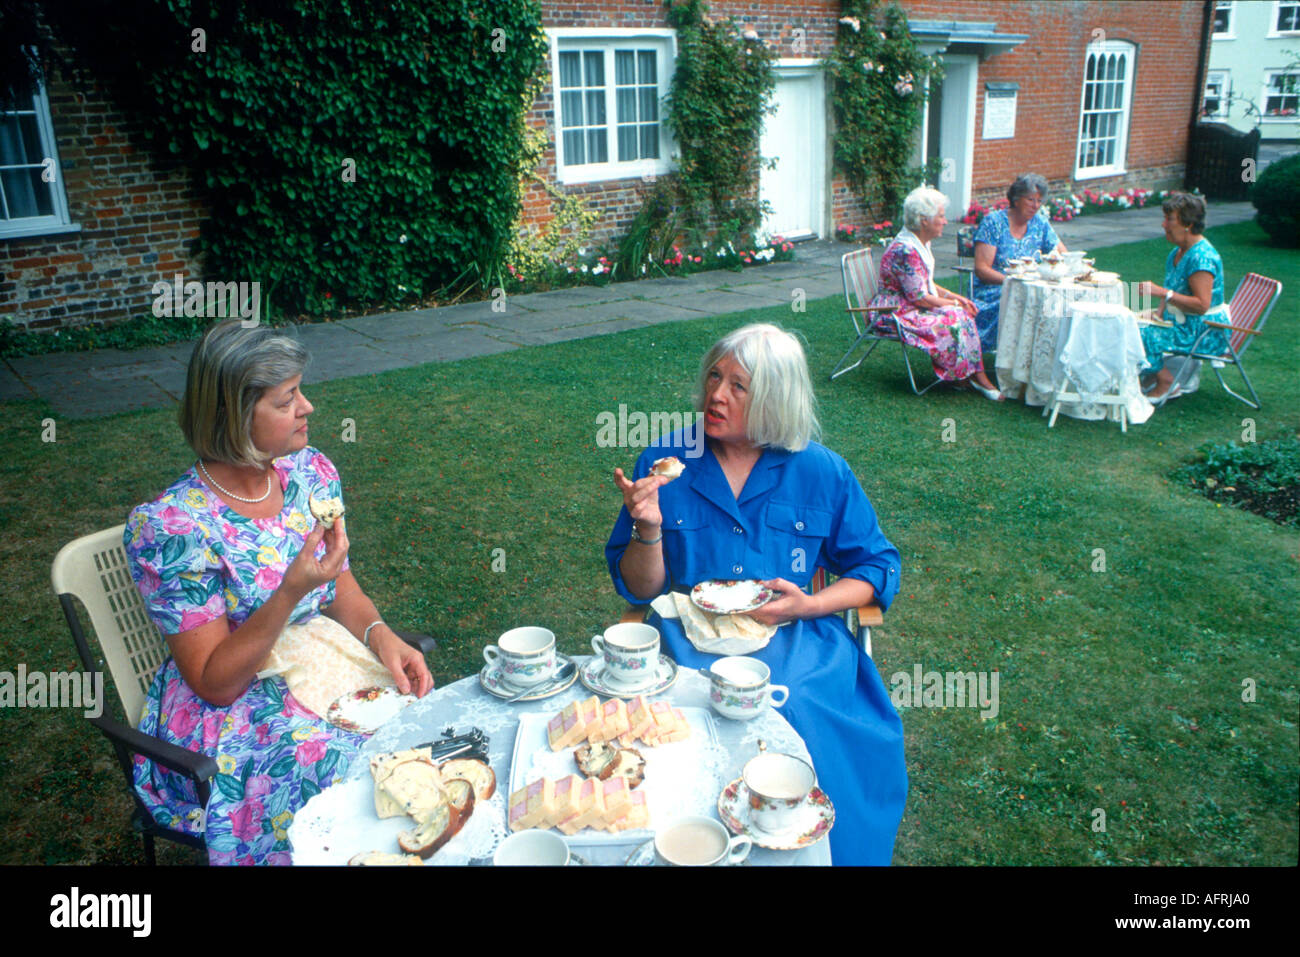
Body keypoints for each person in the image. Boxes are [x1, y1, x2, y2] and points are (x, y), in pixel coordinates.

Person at [123, 320, 433, 864]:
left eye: (300, 392)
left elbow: (340, 586)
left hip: (321, 663)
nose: (308, 407)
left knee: (418, 727)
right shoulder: (172, 527)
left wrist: (383, 638)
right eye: (286, 399)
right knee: (342, 762)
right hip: (235, 705)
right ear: (234, 416)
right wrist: (288, 593)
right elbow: (214, 683)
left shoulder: (310, 474)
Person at [605, 323, 906, 865]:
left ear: (775, 398)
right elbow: (639, 588)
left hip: (797, 637)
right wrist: (647, 529)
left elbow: (877, 567)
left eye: (738, 386)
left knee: (804, 708)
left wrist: (811, 604)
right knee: (689, 724)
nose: (715, 395)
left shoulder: (821, 471)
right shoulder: (669, 459)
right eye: (714, 377)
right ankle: (695, 844)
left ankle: (810, 850)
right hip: (688, 641)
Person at [870, 185, 1002, 401]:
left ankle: (965, 376)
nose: (945, 221)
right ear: (924, 220)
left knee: (959, 312)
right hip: (892, 312)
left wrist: (954, 297)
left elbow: (925, 284)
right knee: (956, 315)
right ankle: (974, 376)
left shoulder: (920, 242)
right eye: (940, 216)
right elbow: (919, 297)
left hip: (908, 305)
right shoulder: (907, 250)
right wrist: (954, 306)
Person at [1135, 191, 1226, 402]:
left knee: (1144, 332)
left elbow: (1202, 305)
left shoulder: (1202, 258)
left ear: (1188, 224)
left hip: (1204, 328)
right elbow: (1172, 292)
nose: (1164, 225)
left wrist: (1162, 293)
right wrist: (1158, 314)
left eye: (1169, 219)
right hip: (1183, 321)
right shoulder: (1177, 252)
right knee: (1132, 320)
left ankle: (1167, 381)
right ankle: (1151, 374)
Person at [971, 173, 1068, 351]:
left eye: (1039, 201)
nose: (1035, 206)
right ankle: (1021, 358)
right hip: (996, 289)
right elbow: (982, 269)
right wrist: (1013, 281)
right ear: (1016, 199)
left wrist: (1055, 264)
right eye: (1031, 199)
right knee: (1031, 302)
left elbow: (1063, 254)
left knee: (1059, 301)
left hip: (1034, 287)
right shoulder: (993, 223)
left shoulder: (1040, 223)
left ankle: (1045, 355)